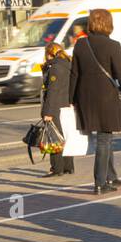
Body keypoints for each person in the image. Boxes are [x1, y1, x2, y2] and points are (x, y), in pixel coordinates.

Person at [69, 8, 121, 195]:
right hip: (106, 98)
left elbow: (74, 74)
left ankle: (111, 176)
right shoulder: (113, 45)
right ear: (108, 23)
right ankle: (99, 182)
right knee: (104, 139)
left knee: (105, 138)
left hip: (85, 98)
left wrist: (71, 99)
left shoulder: (81, 45)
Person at [39, 41, 75, 178]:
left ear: (49, 54)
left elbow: (52, 90)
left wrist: (47, 112)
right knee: (65, 135)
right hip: (67, 105)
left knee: (54, 137)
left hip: (55, 107)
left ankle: (56, 168)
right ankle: (68, 166)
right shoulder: (69, 64)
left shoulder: (55, 67)